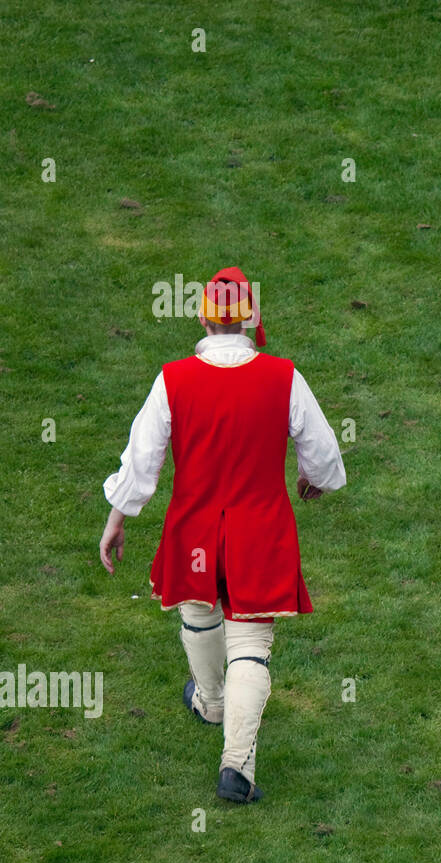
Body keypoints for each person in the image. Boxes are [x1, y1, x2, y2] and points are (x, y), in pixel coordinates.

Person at [99, 266, 346, 802]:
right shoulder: (284, 377)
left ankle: (210, 701)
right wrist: (316, 481)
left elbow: (143, 459)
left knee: (199, 610)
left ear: (204, 317)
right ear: (251, 318)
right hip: (261, 529)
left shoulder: (173, 378)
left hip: (193, 526)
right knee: (251, 643)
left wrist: (118, 515)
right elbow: (324, 457)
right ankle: (236, 765)